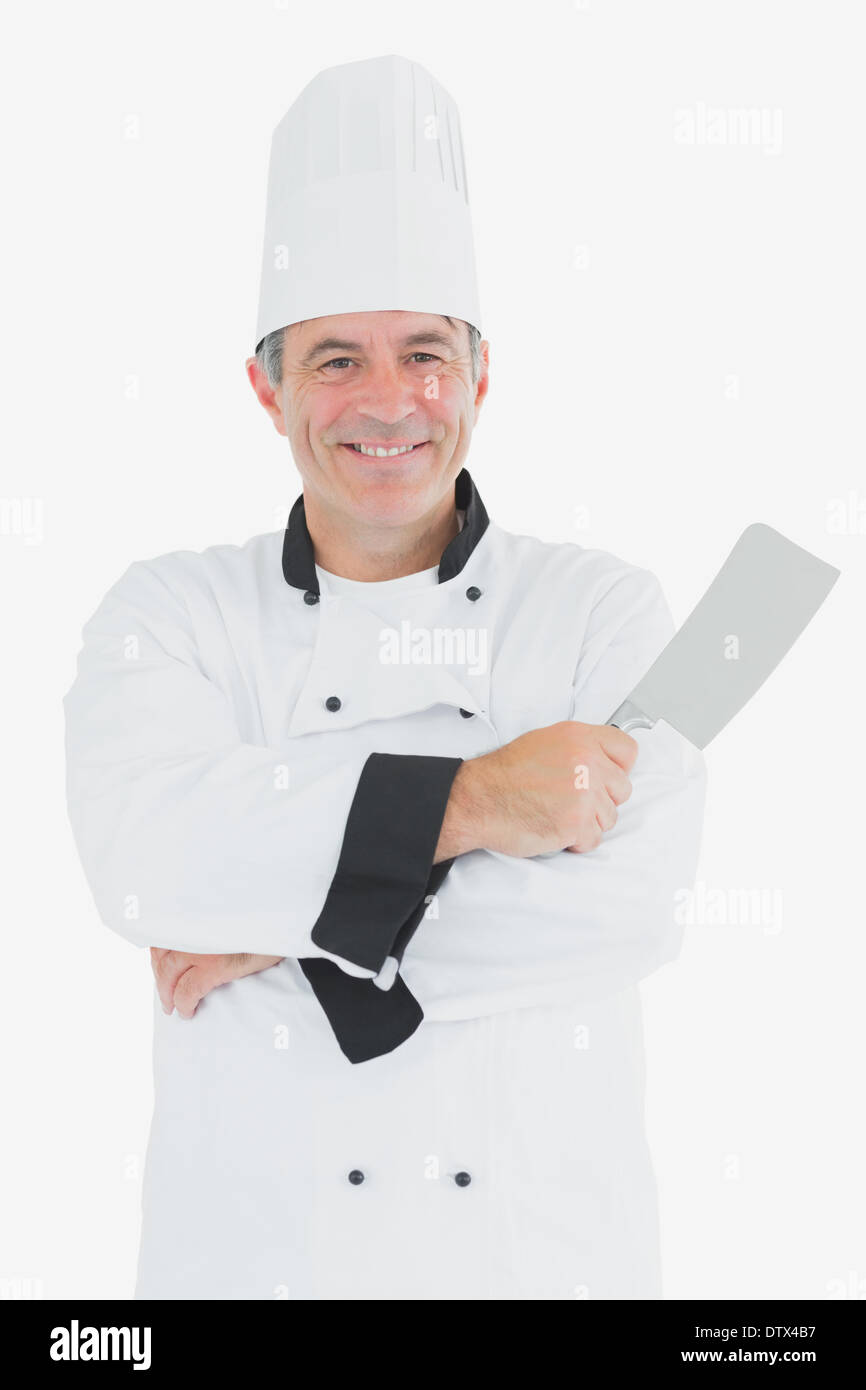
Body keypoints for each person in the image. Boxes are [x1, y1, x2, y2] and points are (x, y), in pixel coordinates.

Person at [63, 54, 706, 1300]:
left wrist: (270, 927)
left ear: (479, 374)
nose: (387, 402)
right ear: (267, 388)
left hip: (541, 1268)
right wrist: (474, 802)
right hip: (247, 1273)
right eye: (334, 360)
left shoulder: (604, 609)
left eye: (423, 352)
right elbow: (144, 863)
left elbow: (632, 906)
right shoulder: (168, 611)